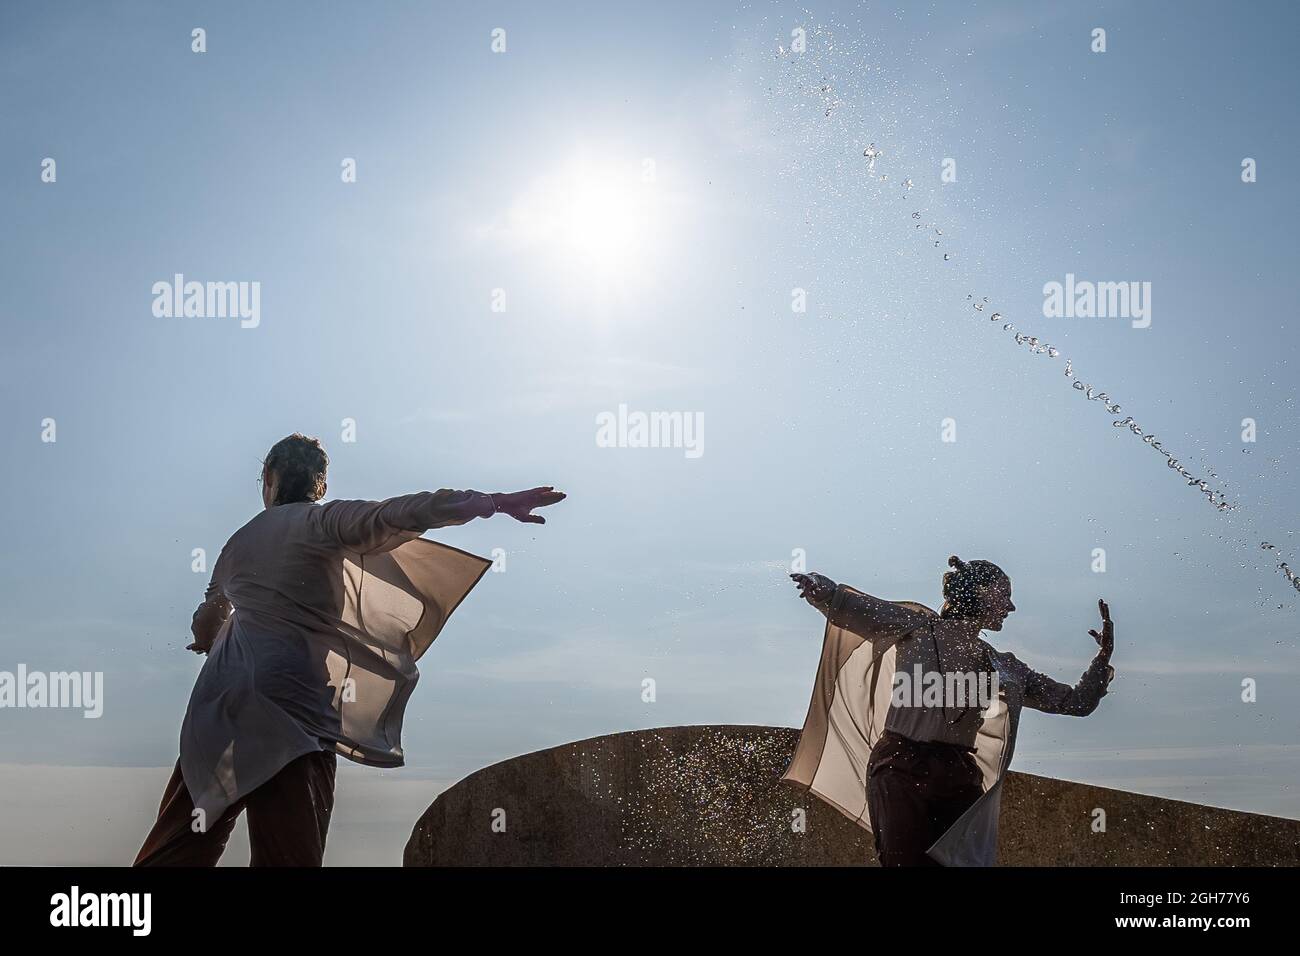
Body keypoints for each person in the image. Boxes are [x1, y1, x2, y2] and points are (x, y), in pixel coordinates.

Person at [134, 433, 565, 866]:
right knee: (288, 856)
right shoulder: (325, 522)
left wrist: (208, 638)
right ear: (319, 485)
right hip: (294, 710)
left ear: (269, 478)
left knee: (180, 846)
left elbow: (207, 619)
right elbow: (404, 511)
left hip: (222, 707)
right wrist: (492, 502)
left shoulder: (238, 543)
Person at [782, 556, 1114, 867]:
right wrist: (820, 589)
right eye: (1005, 597)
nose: (1011, 607)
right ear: (981, 594)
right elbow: (856, 607)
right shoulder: (917, 628)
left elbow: (1076, 703)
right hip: (899, 766)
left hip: (958, 775)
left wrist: (1102, 660)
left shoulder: (1005, 666)